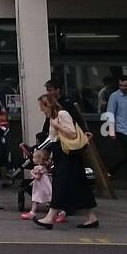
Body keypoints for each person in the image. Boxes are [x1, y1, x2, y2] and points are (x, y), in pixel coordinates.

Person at [34, 93, 99, 229]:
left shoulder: (62, 114)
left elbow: (72, 133)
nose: (41, 110)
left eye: (42, 106)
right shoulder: (53, 117)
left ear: (48, 105)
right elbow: (53, 139)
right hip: (61, 153)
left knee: (60, 183)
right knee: (79, 183)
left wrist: (57, 125)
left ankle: (50, 217)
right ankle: (91, 217)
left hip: (67, 154)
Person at [21, 148, 53, 221]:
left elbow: (38, 177)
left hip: (41, 187)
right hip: (42, 186)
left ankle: (33, 213)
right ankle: (33, 212)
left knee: (37, 199)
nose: (32, 159)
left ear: (39, 159)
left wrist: (32, 173)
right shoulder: (44, 167)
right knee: (42, 199)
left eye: (34, 158)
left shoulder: (38, 168)